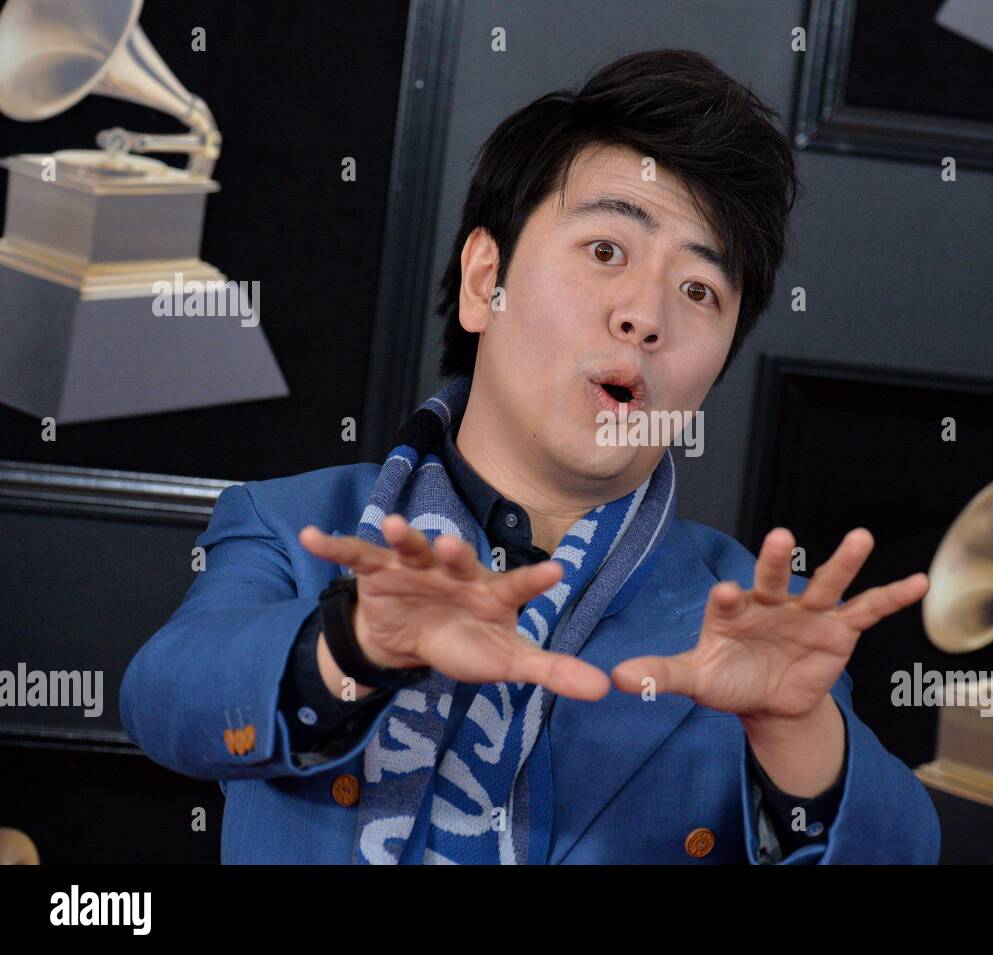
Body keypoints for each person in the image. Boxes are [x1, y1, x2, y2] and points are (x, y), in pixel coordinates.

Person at [120, 49, 940, 865]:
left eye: (700, 290)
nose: (645, 315)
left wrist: (795, 731)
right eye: (607, 251)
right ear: (486, 280)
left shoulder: (753, 618)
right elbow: (165, 702)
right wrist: (354, 641)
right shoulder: (295, 523)